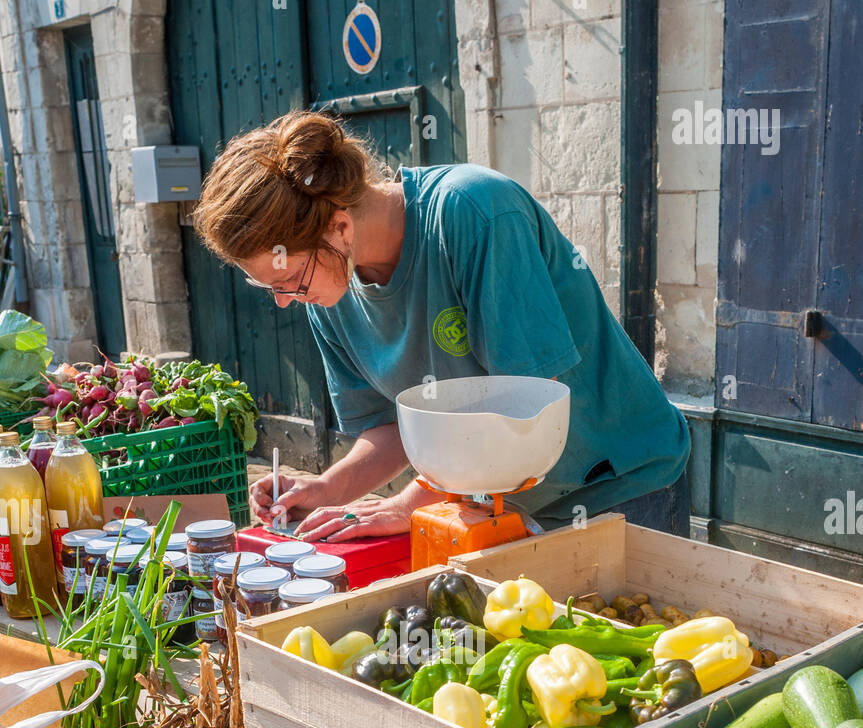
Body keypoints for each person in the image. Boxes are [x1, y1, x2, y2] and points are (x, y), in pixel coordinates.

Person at [195, 111, 691, 542]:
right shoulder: (328, 288)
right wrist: (331, 487)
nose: (285, 302)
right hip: (499, 507)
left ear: (340, 228)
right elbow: (388, 428)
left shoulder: (475, 213)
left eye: (288, 281)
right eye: (270, 288)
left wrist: (409, 504)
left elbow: (524, 407)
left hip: (619, 485)